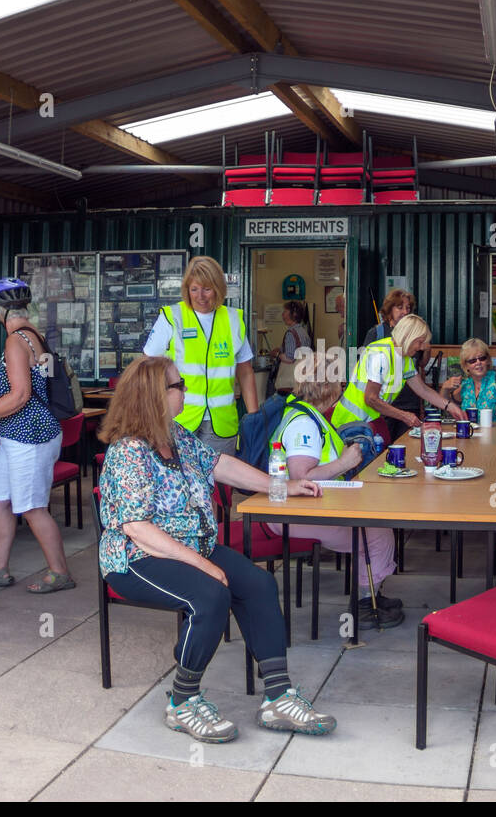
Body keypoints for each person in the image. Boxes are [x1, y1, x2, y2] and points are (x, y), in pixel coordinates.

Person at [98, 355, 337, 743]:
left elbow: (221, 465)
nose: (185, 390)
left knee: (258, 584)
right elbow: (137, 528)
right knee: (210, 594)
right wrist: (200, 564)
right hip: (137, 558)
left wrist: (282, 487)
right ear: (155, 396)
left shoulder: (175, 435)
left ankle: (278, 696)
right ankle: (182, 701)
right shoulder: (129, 451)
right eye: (178, 386)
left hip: (192, 545)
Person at [0, 278, 73, 594]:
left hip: (29, 438)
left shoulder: (15, 341)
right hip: (18, 434)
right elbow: (26, 394)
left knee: (32, 507)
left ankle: (60, 572)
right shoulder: (34, 335)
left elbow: (21, 395)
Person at [267, 354, 403, 628]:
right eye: (339, 380)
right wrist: (344, 463)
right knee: (377, 534)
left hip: (303, 506)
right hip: (294, 514)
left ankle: (371, 595)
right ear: (327, 385)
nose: (343, 385)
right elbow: (300, 476)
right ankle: (365, 604)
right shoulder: (304, 424)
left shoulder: (304, 412)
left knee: (375, 528)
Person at [142, 255, 258, 455]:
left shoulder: (233, 319)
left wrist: (254, 415)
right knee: (180, 481)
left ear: (218, 288)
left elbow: (245, 371)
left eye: (207, 289)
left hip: (221, 423)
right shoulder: (172, 317)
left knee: (220, 483)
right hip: (179, 419)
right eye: (194, 289)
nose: (200, 296)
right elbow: (146, 367)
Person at [332, 314, 466, 429]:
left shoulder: (404, 358)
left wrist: (450, 407)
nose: (421, 348)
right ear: (407, 336)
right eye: (419, 342)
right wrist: (404, 416)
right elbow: (370, 399)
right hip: (348, 423)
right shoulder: (380, 355)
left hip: (367, 422)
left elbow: (423, 390)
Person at [439, 338, 496, 459]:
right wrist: (445, 388)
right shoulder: (465, 386)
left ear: (488, 361)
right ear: (466, 366)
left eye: (482, 358)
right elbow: (446, 406)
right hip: (475, 442)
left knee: (477, 456)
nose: (478, 363)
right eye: (472, 360)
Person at [361, 289, 426, 437]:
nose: (405, 311)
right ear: (390, 309)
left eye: (408, 308)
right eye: (400, 307)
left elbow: (419, 364)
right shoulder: (376, 334)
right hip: (383, 406)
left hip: (409, 402)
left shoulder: (414, 334)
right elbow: (364, 368)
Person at [269, 300, 312, 396]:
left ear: (293, 314)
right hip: (301, 379)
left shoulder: (291, 333)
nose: (282, 314)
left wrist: (277, 355)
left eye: (285, 312)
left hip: (289, 382)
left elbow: (289, 358)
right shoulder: (304, 332)